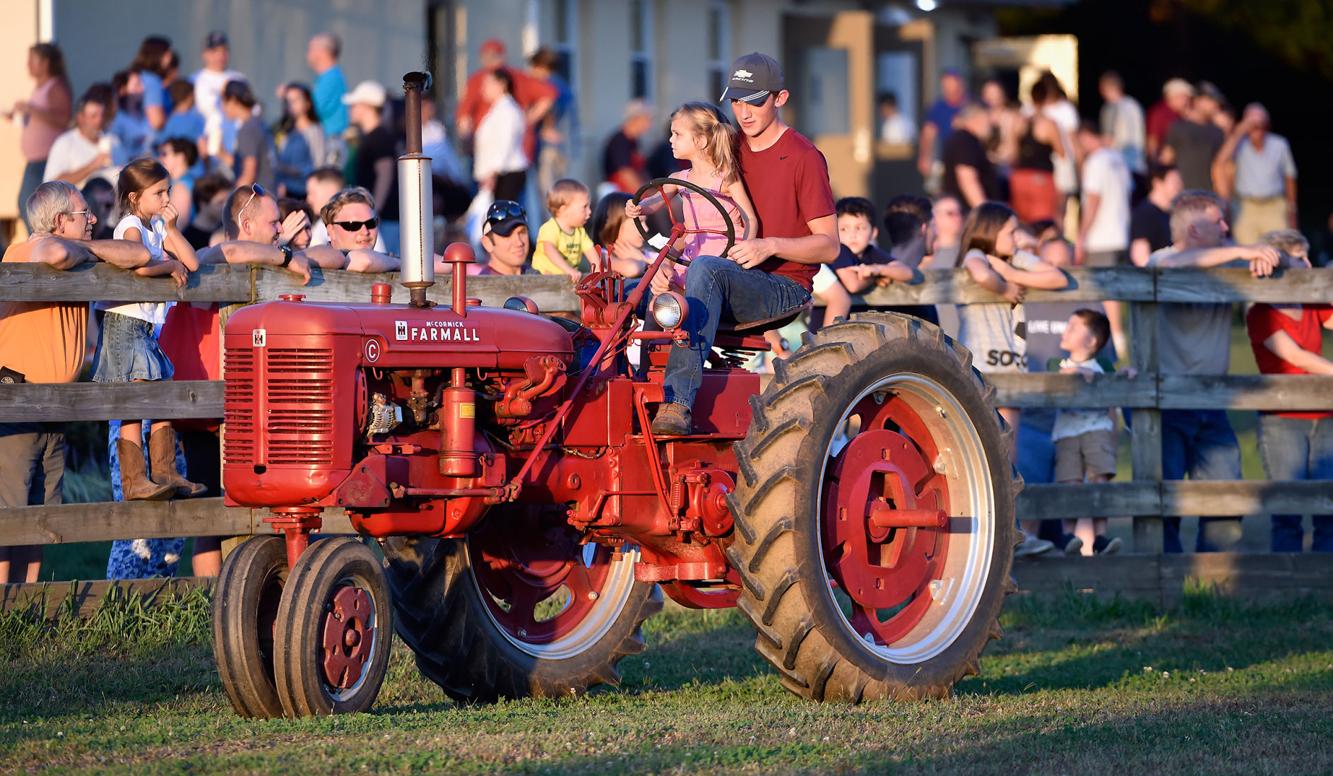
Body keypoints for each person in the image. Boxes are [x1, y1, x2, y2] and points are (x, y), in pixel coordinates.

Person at [648, 52, 838, 435]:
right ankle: (628, 394)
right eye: (736, 101)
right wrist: (667, 261)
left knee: (706, 269)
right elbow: (686, 201)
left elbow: (829, 246)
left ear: (780, 99)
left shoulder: (803, 157)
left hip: (782, 285)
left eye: (755, 101)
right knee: (636, 289)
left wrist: (769, 246)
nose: (744, 112)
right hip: (727, 274)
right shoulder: (726, 146)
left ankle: (678, 402)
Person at [0, 181, 153, 584]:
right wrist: (87, 250)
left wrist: (88, 249)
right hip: (19, 397)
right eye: (83, 214)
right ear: (57, 220)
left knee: (41, 514)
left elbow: (139, 253)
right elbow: (52, 251)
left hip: (57, 404)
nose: (93, 219)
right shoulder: (25, 251)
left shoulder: (77, 253)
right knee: (10, 513)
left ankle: (26, 606)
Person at [1149, 190, 1282, 553]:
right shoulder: (1160, 258)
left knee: (1226, 494)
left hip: (1213, 402)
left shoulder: (1229, 261)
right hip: (1167, 402)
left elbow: (1286, 267)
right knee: (1164, 498)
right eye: (1218, 220)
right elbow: (1173, 266)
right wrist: (1243, 251)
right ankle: (1164, 583)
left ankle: (1216, 582)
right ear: (1193, 229)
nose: (1227, 226)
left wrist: (1265, 261)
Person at [956, 201, 1069, 556]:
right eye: (1010, 231)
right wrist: (1003, 287)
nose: (1017, 237)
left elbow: (1058, 277)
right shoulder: (977, 252)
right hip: (981, 366)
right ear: (991, 232)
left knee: (1009, 453)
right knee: (981, 450)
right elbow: (979, 273)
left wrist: (1012, 274)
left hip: (1012, 368)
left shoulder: (1014, 258)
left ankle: (1009, 532)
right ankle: (983, 536)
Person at [1244, 230, 1332, 553]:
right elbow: (1295, 356)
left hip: (1325, 414)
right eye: (1300, 256)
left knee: (1329, 506)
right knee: (1287, 510)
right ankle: (1287, 588)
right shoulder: (1261, 313)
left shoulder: (1311, 301)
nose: (1309, 264)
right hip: (1283, 419)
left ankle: (1324, 581)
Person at [1051, 308, 1123, 555]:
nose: (1065, 331)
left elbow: (1116, 382)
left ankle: (1100, 535)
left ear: (1091, 341)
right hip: (1066, 432)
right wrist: (1077, 373)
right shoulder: (1057, 363)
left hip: (1097, 430)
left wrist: (1126, 374)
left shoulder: (1102, 364)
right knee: (1069, 481)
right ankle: (1069, 535)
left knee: (1098, 478)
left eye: (1073, 328)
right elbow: (1056, 377)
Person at [7, 43, 72, 232]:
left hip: (46, 158)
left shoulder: (56, 86)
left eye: (31, 61)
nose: (28, 66)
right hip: (35, 159)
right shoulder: (41, 87)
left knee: (30, 203)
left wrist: (31, 109)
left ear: (45, 63)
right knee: (29, 204)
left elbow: (63, 119)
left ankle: (40, 243)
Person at [1214, 103, 1297, 244]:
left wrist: (1292, 209)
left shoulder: (1280, 144)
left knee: (1279, 251)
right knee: (1246, 254)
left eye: (1260, 123)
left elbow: (1289, 177)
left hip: (1274, 206)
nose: (1257, 127)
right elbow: (1221, 161)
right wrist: (1239, 131)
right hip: (1245, 207)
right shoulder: (1238, 144)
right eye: (1252, 124)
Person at [827, 196, 915, 318]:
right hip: (828, 328)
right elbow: (853, 285)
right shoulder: (839, 251)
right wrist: (876, 277)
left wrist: (878, 269)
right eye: (844, 229)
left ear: (873, 232)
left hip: (861, 328)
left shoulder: (871, 252)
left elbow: (907, 272)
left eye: (859, 228)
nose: (852, 235)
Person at [43, 88, 126, 191]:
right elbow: (51, 185)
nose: (99, 120)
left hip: (115, 202)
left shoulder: (112, 140)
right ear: (80, 118)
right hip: (84, 204)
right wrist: (92, 166)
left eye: (102, 115)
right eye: (93, 116)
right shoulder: (65, 143)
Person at [470, 69, 529, 205]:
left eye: (488, 84)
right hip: (498, 174)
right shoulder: (497, 110)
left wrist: (493, 173)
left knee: (504, 219)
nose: (483, 89)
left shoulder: (507, 110)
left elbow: (505, 144)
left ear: (502, 84)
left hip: (506, 174)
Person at [1008, 83, 1064, 224]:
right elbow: (1061, 152)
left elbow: (1013, 152)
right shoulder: (1049, 123)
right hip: (1041, 177)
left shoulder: (1019, 121)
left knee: (1021, 222)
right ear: (1047, 98)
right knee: (1042, 224)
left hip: (1019, 177)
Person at [314, 187, 402, 272]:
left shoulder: (385, 261)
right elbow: (364, 261)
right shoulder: (322, 255)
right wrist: (400, 263)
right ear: (331, 231)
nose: (365, 232)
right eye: (353, 225)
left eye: (371, 223)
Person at [1161, 82, 1226, 192]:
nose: (1216, 105)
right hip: (1183, 196)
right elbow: (1166, 160)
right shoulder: (1178, 127)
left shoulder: (1217, 132)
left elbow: (1221, 166)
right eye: (1211, 100)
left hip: (1209, 196)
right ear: (1198, 101)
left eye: (1217, 101)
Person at [533, 179, 600, 280]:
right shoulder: (550, 228)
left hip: (565, 277)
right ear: (563, 210)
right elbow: (549, 249)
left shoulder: (579, 231)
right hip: (540, 276)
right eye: (584, 207)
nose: (589, 211)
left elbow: (590, 250)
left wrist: (597, 271)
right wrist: (568, 269)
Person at [192, 31, 243, 162]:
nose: (220, 55)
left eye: (224, 51)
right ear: (205, 54)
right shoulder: (195, 80)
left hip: (235, 149)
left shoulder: (238, 79)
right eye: (215, 51)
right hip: (206, 151)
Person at [941, 105, 1001, 210]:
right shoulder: (964, 141)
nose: (990, 126)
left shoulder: (968, 140)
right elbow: (967, 179)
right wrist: (984, 213)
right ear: (976, 119)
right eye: (987, 121)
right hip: (967, 211)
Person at [220, 80, 275, 191]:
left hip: (258, 197)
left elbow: (248, 173)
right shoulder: (258, 122)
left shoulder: (247, 129)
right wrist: (221, 153)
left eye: (224, 102)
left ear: (233, 100)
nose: (222, 108)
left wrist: (235, 201)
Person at [917, 69, 968, 184]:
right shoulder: (937, 108)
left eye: (951, 83)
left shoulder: (970, 104)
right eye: (945, 84)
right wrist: (925, 156)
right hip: (946, 158)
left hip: (968, 156)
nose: (948, 87)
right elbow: (928, 133)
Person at [274, 82, 324, 197]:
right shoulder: (286, 130)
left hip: (304, 192)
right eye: (288, 101)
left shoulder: (314, 131)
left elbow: (319, 164)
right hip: (285, 190)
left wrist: (295, 171)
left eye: (296, 100)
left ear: (307, 103)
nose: (291, 105)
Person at [1129, 163, 1182, 267]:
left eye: (1179, 182)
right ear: (1157, 183)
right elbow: (1140, 257)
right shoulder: (1144, 214)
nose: (1179, 186)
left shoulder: (1172, 213)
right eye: (1174, 182)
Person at [1098, 71, 1146, 181]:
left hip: (1122, 166)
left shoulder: (1115, 108)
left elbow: (1110, 139)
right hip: (1134, 164)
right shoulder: (1134, 106)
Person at [589, 192, 648, 278]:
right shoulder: (603, 254)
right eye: (639, 222)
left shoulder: (645, 252)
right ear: (615, 224)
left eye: (645, 222)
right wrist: (645, 261)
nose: (646, 229)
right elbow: (632, 269)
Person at [471, 200, 538, 276]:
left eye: (522, 232)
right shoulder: (482, 286)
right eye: (507, 235)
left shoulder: (537, 276)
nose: (519, 243)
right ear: (487, 243)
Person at [306, 33, 347, 148]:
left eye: (311, 49)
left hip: (330, 141)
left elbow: (313, 109)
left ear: (323, 52)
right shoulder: (326, 78)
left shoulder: (331, 78)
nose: (308, 54)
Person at [603, 100, 654, 193]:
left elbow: (641, 171)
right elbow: (625, 174)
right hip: (621, 192)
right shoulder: (619, 141)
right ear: (635, 119)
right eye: (647, 119)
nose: (650, 124)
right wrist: (646, 195)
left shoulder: (634, 141)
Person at [130, 35, 173, 132]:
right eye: (167, 55)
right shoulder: (152, 81)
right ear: (157, 56)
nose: (170, 59)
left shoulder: (133, 76)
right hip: (146, 142)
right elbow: (156, 121)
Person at [108, 70, 153, 160]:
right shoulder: (115, 119)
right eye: (137, 85)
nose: (143, 89)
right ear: (122, 90)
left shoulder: (146, 113)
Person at [1146, 78, 1192, 163]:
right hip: (1165, 164)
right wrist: (1155, 164)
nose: (1187, 101)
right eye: (1184, 97)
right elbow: (1153, 140)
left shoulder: (1183, 114)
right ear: (1172, 97)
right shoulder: (1160, 113)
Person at [181, 171, 231, 249]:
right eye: (220, 202)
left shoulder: (226, 233)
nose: (226, 206)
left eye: (228, 201)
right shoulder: (186, 240)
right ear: (203, 203)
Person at [158, 137, 199, 229]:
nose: (160, 158)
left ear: (181, 157)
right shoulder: (185, 181)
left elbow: (179, 226)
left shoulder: (181, 186)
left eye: (164, 154)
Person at [161, 80, 206, 155]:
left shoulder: (167, 120)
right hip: (194, 165)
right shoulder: (195, 120)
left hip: (171, 164)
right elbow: (203, 148)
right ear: (189, 97)